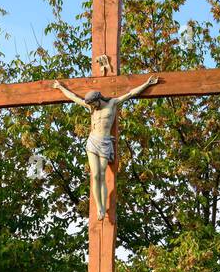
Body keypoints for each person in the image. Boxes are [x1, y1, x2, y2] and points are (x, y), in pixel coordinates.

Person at [52, 75, 160, 218]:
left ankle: (104, 205)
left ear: (98, 99)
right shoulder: (91, 108)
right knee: (95, 175)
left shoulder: (112, 103)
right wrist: (60, 87)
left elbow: (131, 93)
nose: (91, 106)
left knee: (102, 175)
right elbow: (74, 97)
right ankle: (100, 208)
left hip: (105, 143)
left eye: (93, 103)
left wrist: (147, 84)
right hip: (92, 141)